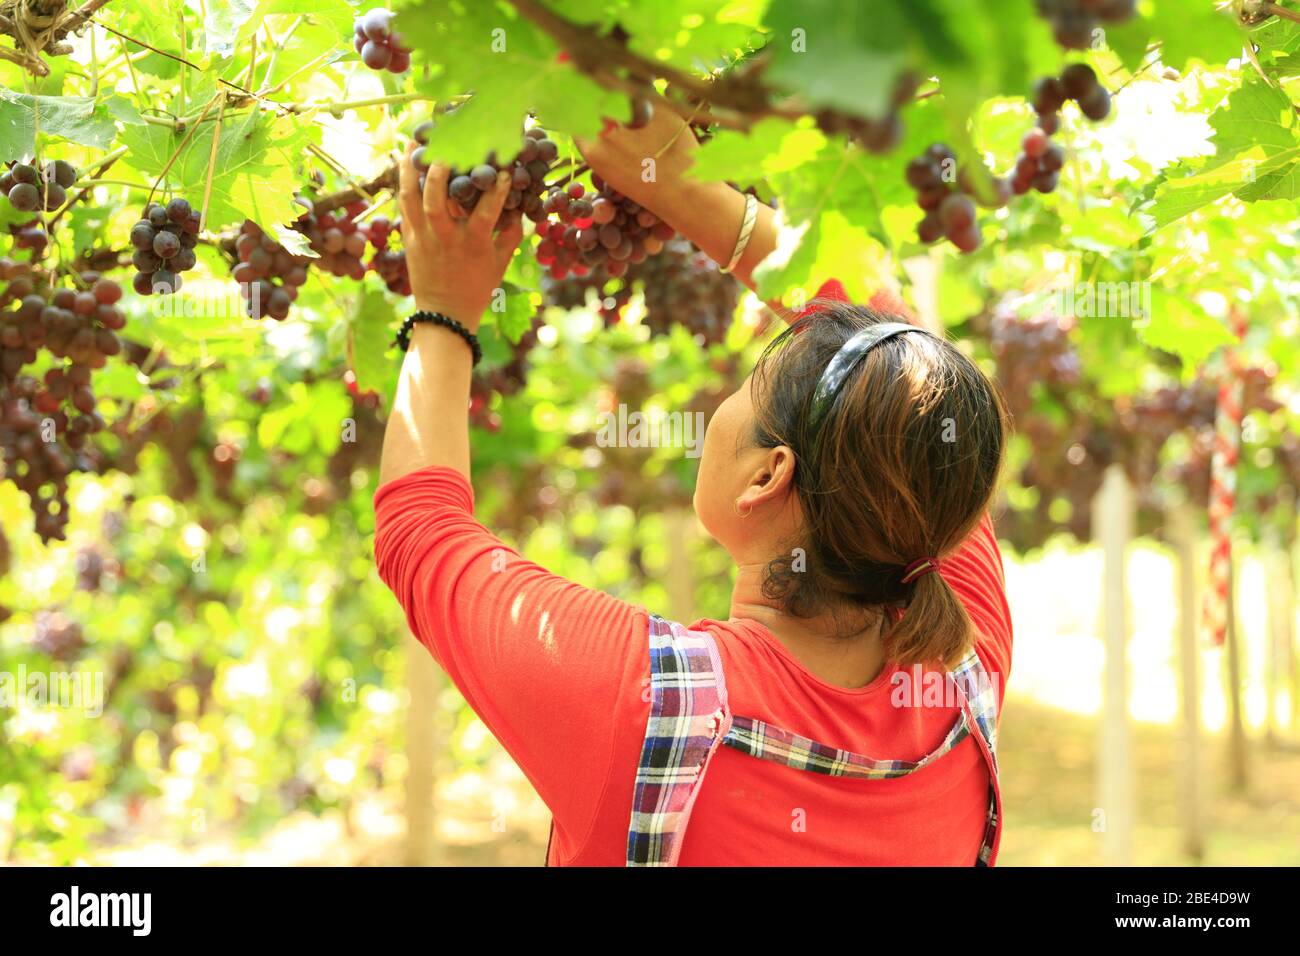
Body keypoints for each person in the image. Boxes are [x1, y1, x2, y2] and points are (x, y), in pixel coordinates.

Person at [374, 107, 1013, 866]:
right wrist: (681, 185)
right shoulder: (961, 672)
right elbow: (901, 362)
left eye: (751, 381)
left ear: (768, 476)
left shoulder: (636, 701)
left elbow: (420, 531)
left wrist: (444, 309)